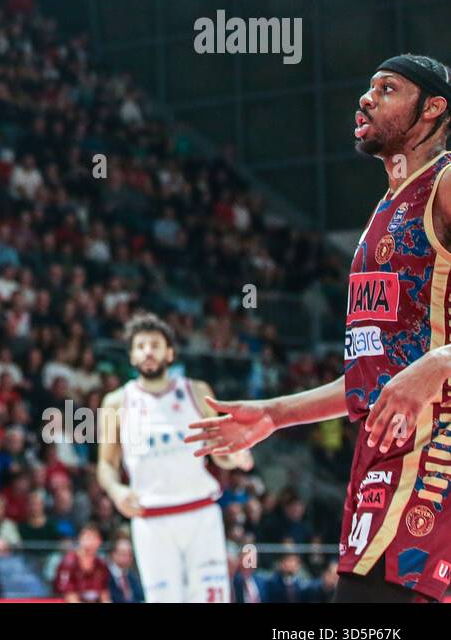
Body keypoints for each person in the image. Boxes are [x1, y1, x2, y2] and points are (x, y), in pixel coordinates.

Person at [188, 55, 451, 603]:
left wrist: (439, 363)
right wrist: (274, 414)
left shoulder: (445, 183)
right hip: (381, 455)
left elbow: (419, 370)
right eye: (367, 87)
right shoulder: (387, 207)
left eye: (387, 88)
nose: (366, 98)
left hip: (434, 452)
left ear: (432, 108)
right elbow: (372, 378)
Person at [98, 312, 250, 602]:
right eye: (140, 346)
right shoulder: (116, 403)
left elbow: (220, 454)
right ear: (131, 356)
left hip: (200, 514)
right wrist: (117, 491)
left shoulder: (197, 391)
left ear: (169, 353)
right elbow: (106, 464)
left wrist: (238, 456)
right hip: (152, 520)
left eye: (155, 345)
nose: (148, 352)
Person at [53, 524, 111, 603]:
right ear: (80, 540)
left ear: (99, 541)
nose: (90, 542)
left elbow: (104, 593)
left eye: (94, 538)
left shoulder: (101, 565)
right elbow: (68, 595)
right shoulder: (68, 562)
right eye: (87, 538)